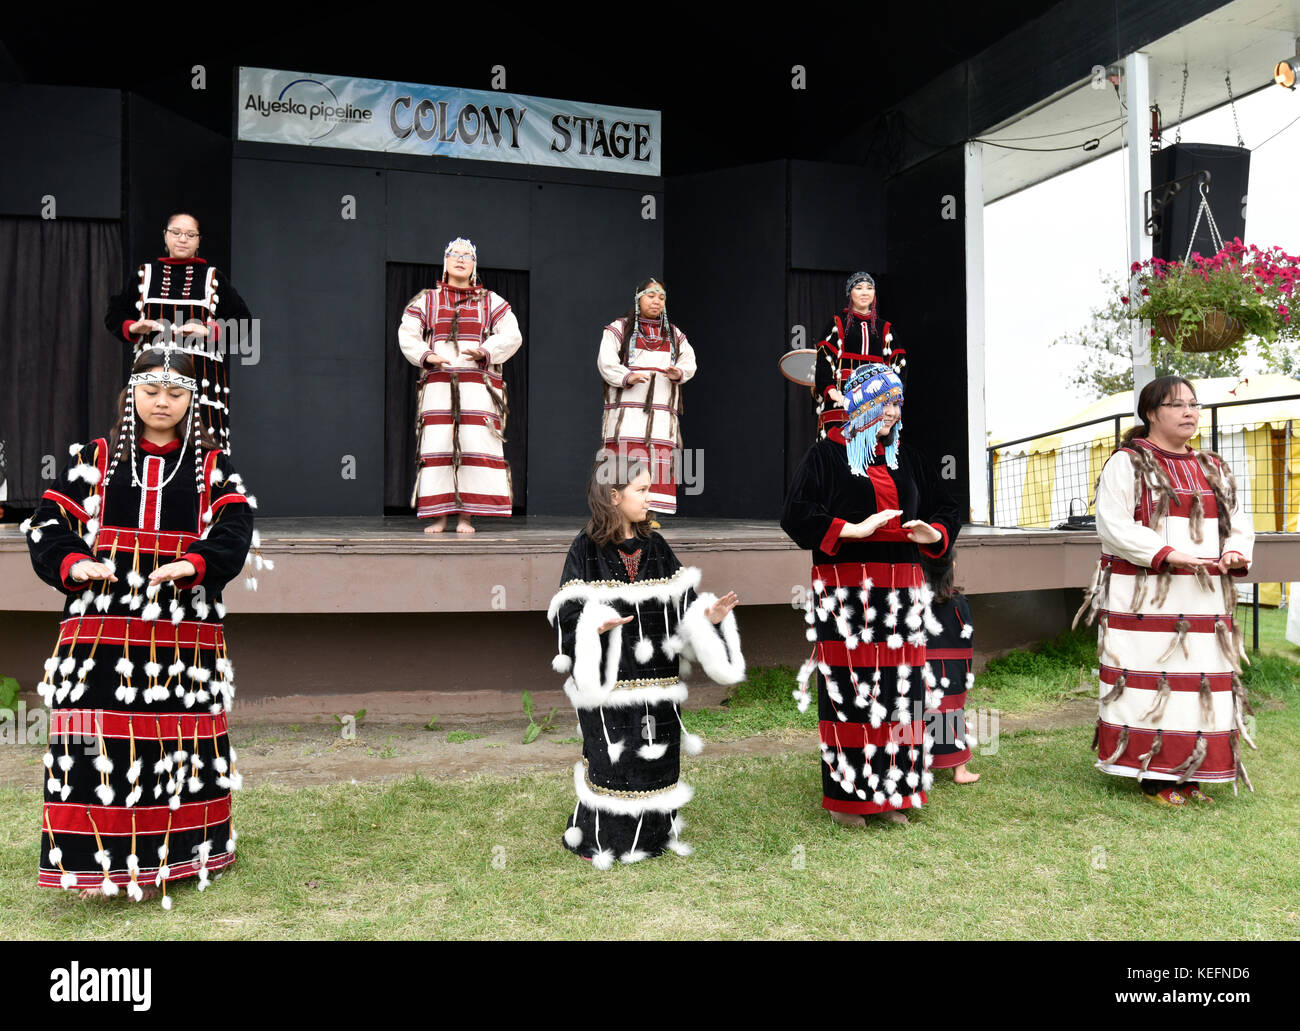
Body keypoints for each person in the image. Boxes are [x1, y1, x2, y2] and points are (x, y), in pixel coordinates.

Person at [20, 348, 254, 906]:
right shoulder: (95, 459)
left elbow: (235, 526)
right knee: (94, 734)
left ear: (193, 400)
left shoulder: (213, 467)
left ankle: (182, 856)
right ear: (132, 393)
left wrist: (194, 564)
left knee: (179, 739)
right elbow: (48, 521)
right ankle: (86, 860)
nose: (163, 401)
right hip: (100, 625)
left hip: (184, 627)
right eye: (152, 390)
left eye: (176, 392)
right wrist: (72, 562)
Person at [782, 364, 959, 825]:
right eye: (883, 401)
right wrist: (849, 528)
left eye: (897, 402)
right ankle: (850, 799)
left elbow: (947, 507)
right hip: (847, 594)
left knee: (901, 690)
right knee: (852, 690)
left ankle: (894, 794)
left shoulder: (907, 456)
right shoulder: (826, 455)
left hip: (903, 591)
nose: (892, 411)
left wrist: (931, 532)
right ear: (859, 404)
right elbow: (796, 515)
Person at [548, 450, 742, 867]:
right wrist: (591, 628)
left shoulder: (656, 545)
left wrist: (708, 617)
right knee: (612, 754)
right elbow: (567, 610)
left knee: (655, 750)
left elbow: (682, 604)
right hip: (610, 680)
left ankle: (651, 837)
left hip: (656, 676)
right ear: (613, 496)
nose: (649, 497)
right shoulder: (585, 548)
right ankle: (602, 839)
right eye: (642, 490)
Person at [1078, 375, 1255, 806]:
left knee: (1197, 684)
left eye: (1193, 404)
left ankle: (1189, 770)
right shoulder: (1127, 462)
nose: (1189, 412)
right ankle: (1153, 775)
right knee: (1148, 680)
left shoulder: (1212, 466)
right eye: (1177, 405)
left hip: (1203, 597)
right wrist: (1168, 552)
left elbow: (1239, 518)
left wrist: (1233, 551)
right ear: (1151, 413)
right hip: (1144, 597)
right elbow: (1113, 525)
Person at [398, 238, 522, 533]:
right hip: (440, 384)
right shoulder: (427, 299)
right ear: (445, 261)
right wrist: (427, 355)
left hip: (477, 386)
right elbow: (408, 333)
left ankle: (466, 515)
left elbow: (512, 334)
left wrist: (485, 351)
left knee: (473, 443)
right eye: (455, 254)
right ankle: (439, 514)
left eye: (467, 256)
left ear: (474, 264)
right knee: (439, 443)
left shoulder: (490, 300)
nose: (461, 259)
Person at [105, 213, 253, 454]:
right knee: (148, 442)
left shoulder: (214, 279)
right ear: (165, 236)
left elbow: (244, 324)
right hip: (152, 378)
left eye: (190, 234)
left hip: (201, 380)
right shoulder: (144, 275)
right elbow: (114, 314)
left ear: (198, 241)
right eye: (176, 232)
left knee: (201, 449)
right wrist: (133, 327)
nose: (182, 239)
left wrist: (207, 330)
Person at [597, 279, 696, 517]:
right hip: (627, 416)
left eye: (661, 297)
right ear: (638, 298)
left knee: (656, 460)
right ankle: (618, 516)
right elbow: (606, 362)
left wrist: (679, 372)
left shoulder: (673, 334)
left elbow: (689, 361)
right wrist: (626, 376)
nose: (656, 301)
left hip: (660, 418)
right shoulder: (619, 329)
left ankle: (648, 517)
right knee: (625, 459)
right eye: (651, 296)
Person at [814, 272, 904, 440]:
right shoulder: (837, 324)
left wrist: (890, 400)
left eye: (869, 288)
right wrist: (836, 396)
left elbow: (899, 368)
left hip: (877, 407)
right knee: (837, 454)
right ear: (850, 293)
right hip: (842, 406)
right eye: (859, 288)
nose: (864, 292)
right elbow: (824, 363)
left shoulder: (886, 329)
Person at [920, 550, 980, 784]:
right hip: (953, 671)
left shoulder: (914, 602)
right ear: (952, 567)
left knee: (919, 712)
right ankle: (959, 771)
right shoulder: (959, 603)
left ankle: (920, 763)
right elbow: (967, 638)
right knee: (952, 713)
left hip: (923, 669)